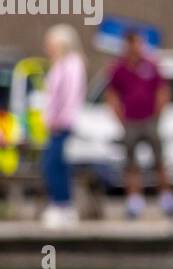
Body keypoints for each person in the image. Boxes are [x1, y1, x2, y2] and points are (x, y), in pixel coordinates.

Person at [105, 30, 173, 219]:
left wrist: (158, 114)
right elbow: (112, 94)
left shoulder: (151, 65)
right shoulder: (118, 68)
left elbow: (163, 90)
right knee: (131, 164)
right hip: (130, 122)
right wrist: (120, 117)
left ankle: (167, 198)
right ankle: (134, 201)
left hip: (150, 120)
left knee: (159, 161)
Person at [41, 24, 86, 228]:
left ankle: (63, 206)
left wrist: (61, 120)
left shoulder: (73, 63)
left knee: (55, 164)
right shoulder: (59, 64)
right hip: (54, 124)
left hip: (63, 125)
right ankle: (59, 204)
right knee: (54, 165)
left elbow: (70, 96)